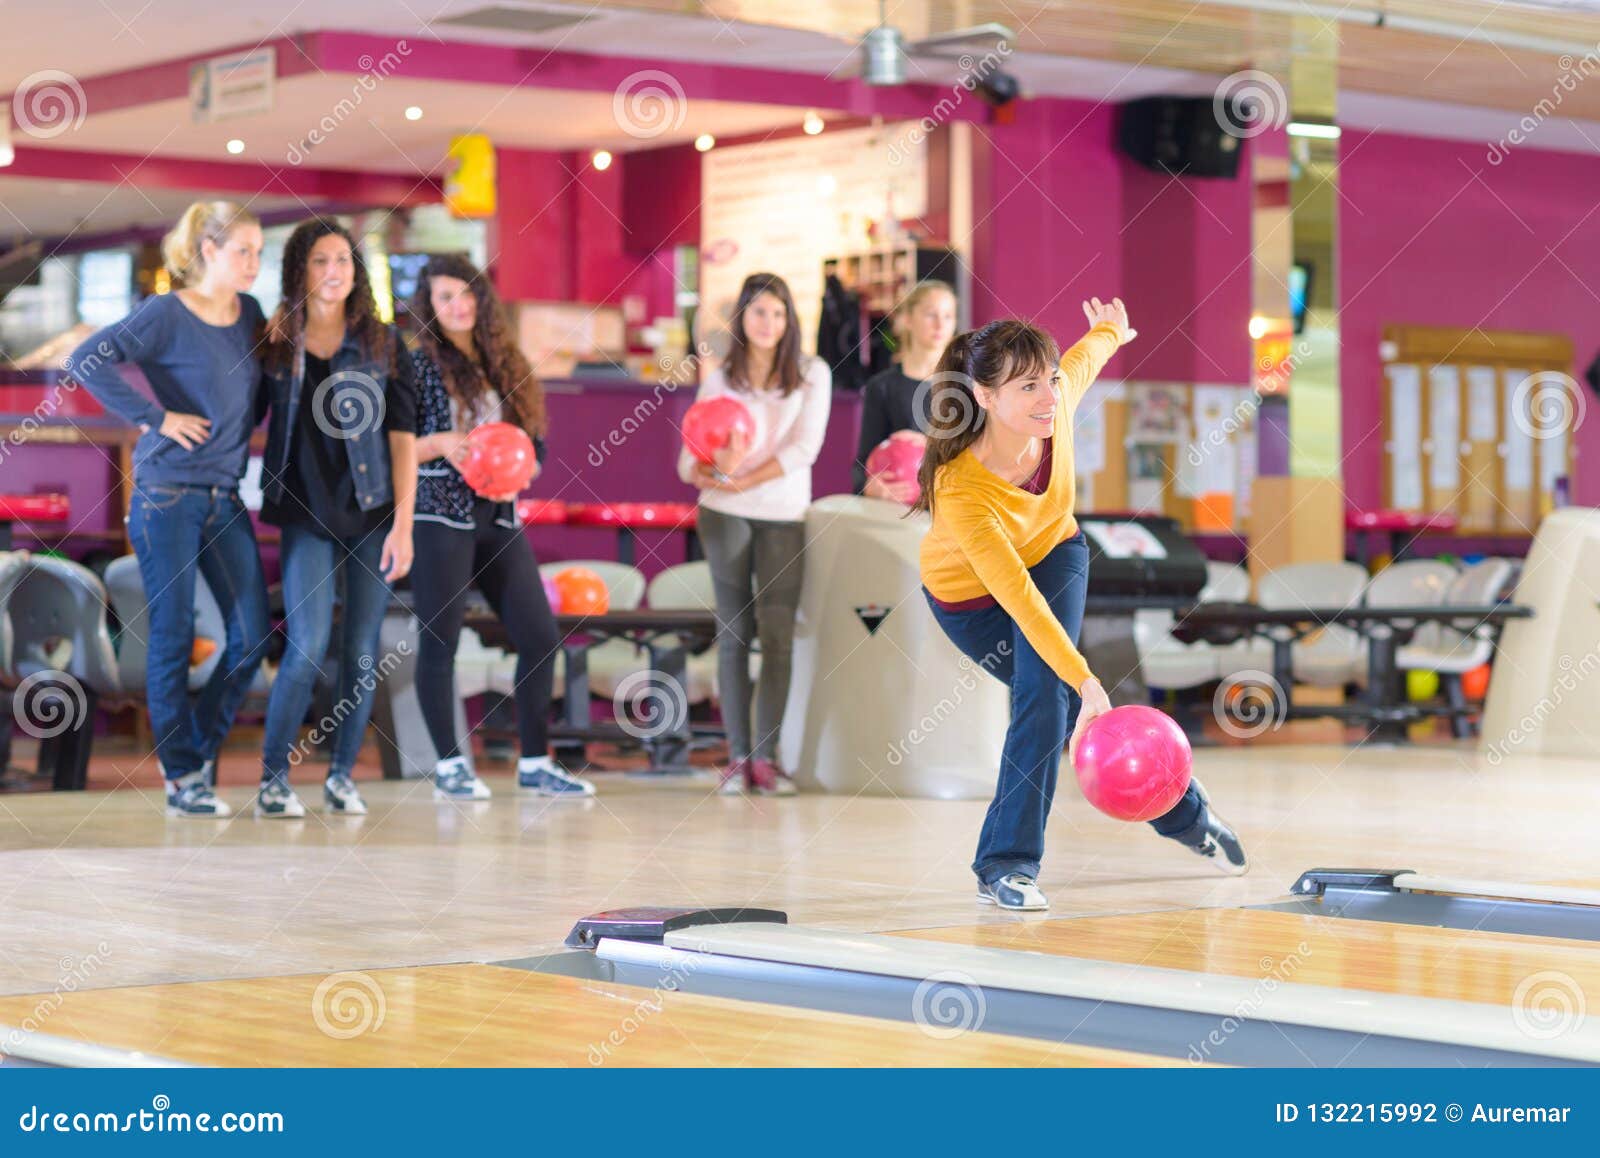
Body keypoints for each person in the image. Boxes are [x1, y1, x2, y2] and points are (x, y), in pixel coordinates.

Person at [916, 298, 1248, 911]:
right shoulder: (959, 487)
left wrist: (1109, 331)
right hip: (972, 600)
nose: (1047, 397)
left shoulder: (1055, 407)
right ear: (984, 398)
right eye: (1027, 386)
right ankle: (1176, 819)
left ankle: (1007, 864)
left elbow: (1084, 359)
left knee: (1046, 694)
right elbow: (1016, 599)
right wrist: (1088, 682)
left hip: (1058, 552)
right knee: (1052, 698)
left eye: (1049, 381)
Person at [65, 201, 271, 818]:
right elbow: (86, 360)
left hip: (224, 494)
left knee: (252, 637)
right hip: (166, 496)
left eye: (260, 252)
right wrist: (156, 418)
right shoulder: (164, 313)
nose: (254, 264)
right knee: (174, 634)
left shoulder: (250, 313)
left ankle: (198, 750)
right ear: (208, 250)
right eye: (243, 251)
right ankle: (182, 777)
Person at [407, 255, 592, 801]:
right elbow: (393, 448)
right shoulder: (416, 366)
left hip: (500, 516)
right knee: (439, 644)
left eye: (465, 294)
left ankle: (535, 761)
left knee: (539, 635)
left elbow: (532, 442)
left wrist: (528, 462)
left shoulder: (505, 362)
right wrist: (441, 445)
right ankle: (449, 767)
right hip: (439, 515)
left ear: (482, 300)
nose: (457, 306)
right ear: (429, 306)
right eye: (444, 297)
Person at [256, 219, 418, 818]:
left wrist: (403, 525)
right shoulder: (276, 341)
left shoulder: (382, 342)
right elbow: (241, 414)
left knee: (362, 651)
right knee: (306, 648)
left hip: (373, 514)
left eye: (343, 262)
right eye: (320, 261)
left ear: (357, 272)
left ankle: (342, 777)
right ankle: (275, 779)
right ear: (300, 270)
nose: (332, 273)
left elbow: (403, 438)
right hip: (303, 513)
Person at [679, 273, 832, 795]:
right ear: (742, 318)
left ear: (790, 321)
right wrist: (713, 471)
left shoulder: (812, 373)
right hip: (723, 513)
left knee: (778, 636)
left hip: (784, 514)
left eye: (778, 313)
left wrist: (741, 475)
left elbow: (803, 450)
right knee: (733, 635)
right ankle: (738, 757)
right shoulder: (720, 379)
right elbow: (688, 462)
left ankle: (767, 759)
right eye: (758, 312)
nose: (768, 323)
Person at [852, 280, 957, 502]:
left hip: (952, 515)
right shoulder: (881, 387)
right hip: (897, 517)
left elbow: (983, 460)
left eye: (948, 316)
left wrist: (929, 445)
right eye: (931, 314)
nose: (940, 324)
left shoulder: (968, 387)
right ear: (907, 319)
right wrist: (871, 487)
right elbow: (862, 467)